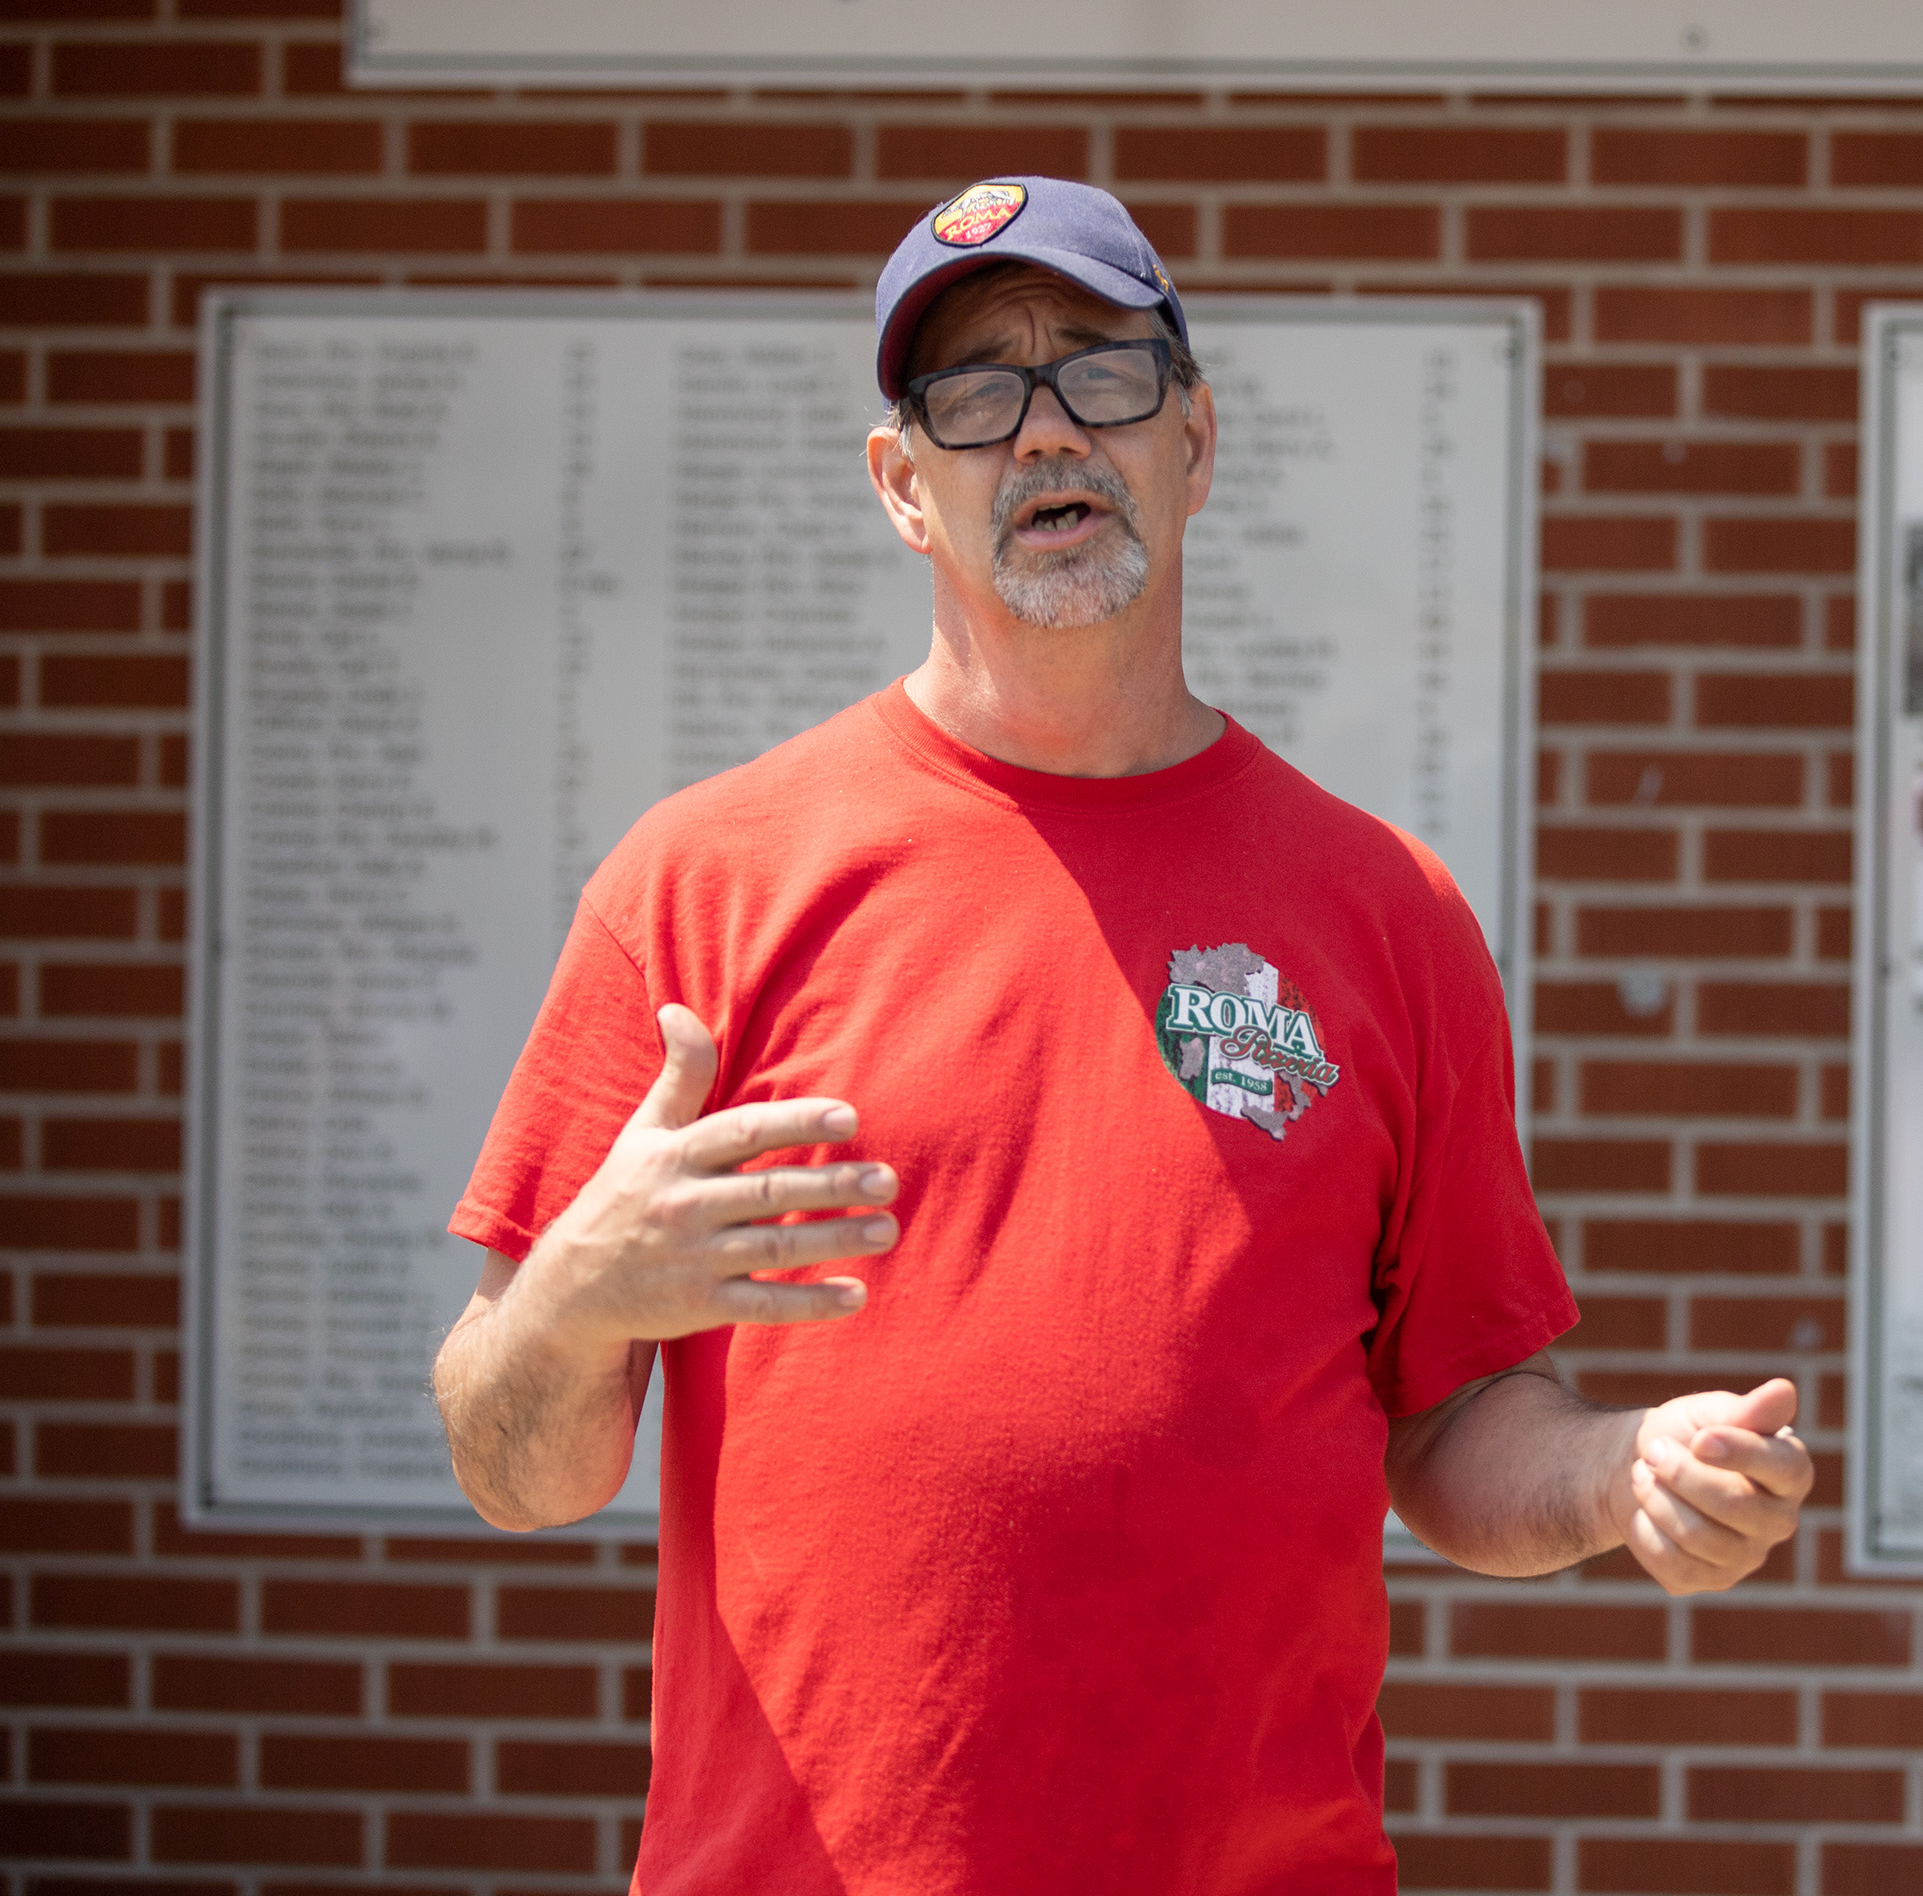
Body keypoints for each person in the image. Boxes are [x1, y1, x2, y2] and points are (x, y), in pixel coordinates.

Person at [431, 176, 1813, 1891]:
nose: (1041, 434)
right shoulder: (704, 887)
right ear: (902, 489)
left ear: (1194, 444)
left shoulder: (1389, 916)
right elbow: (517, 1471)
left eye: (1098, 372)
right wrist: (574, 1295)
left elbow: (1453, 1425)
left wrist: (1623, 1474)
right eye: (972, 396)